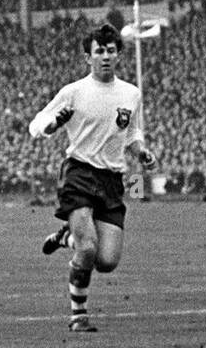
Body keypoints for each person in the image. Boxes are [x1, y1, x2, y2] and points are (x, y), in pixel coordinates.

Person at [29, 24, 156, 332]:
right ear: (88, 57)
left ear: (119, 54)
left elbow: (132, 132)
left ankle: (65, 237)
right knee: (87, 249)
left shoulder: (131, 93)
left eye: (111, 51)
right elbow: (38, 123)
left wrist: (140, 151)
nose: (105, 56)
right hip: (79, 172)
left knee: (107, 261)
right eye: (99, 51)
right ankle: (78, 315)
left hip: (112, 179)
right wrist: (51, 125)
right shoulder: (74, 92)